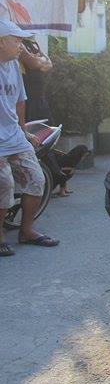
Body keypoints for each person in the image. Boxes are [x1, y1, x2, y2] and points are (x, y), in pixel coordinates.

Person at [0, 20, 59, 257]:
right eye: (16, 40)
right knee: (4, 182)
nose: (21, 45)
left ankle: (26, 231)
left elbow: (19, 101)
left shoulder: (14, 65)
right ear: (1, 42)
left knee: (36, 178)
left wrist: (23, 130)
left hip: (13, 135)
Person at [20, 37, 53, 122]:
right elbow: (34, 63)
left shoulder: (32, 43)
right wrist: (39, 61)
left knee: (48, 128)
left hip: (40, 99)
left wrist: (39, 60)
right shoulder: (18, 43)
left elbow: (49, 64)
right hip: (28, 101)